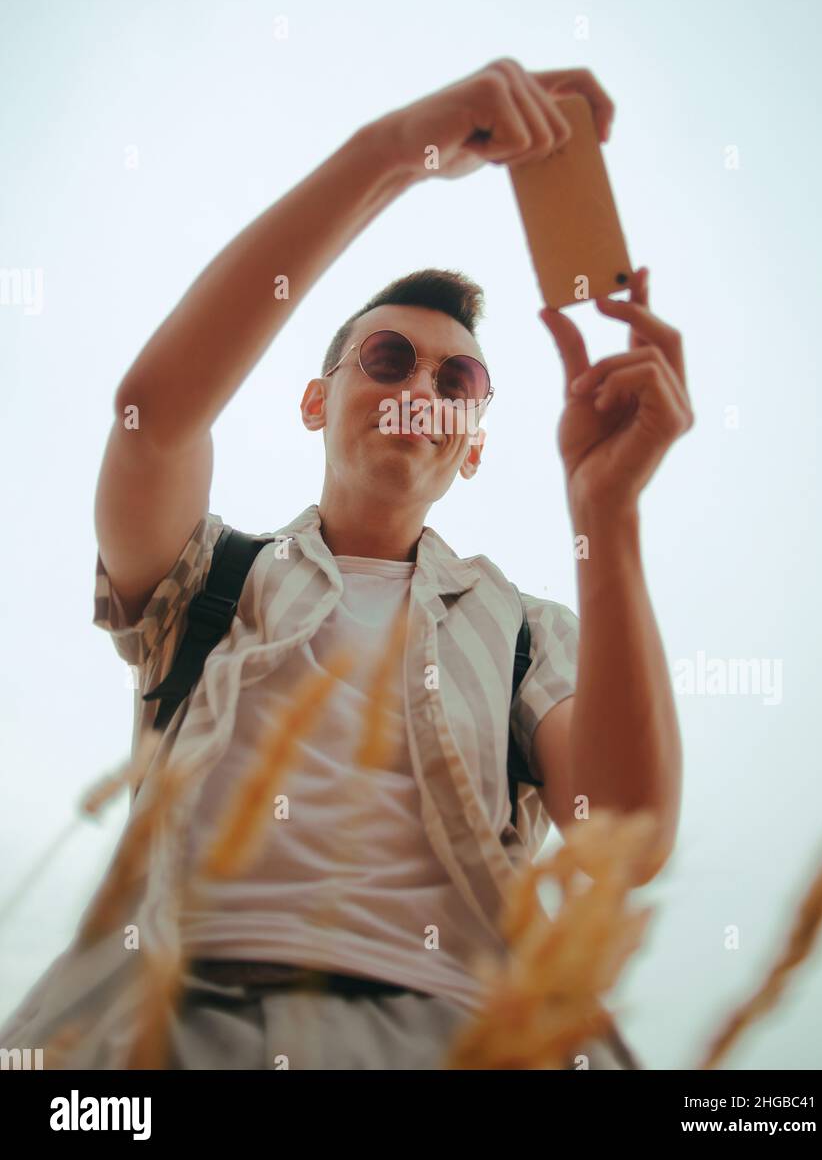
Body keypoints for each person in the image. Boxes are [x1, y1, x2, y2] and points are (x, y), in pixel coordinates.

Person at [0, 58, 691, 1070]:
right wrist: (392, 150)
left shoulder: (525, 630)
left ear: (474, 440)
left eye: (456, 377)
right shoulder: (211, 581)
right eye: (385, 358)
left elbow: (622, 832)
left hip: (456, 1038)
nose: (420, 382)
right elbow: (152, 421)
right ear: (316, 401)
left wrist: (609, 514)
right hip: (160, 1032)